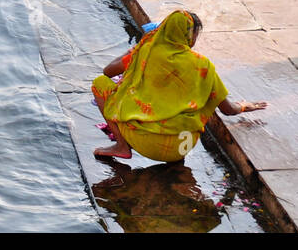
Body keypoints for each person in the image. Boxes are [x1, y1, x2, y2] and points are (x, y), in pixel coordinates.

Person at [91, 10, 267, 162]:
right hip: (182, 148)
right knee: (193, 99)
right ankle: (172, 158)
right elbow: (228, 109)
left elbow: (108, 72)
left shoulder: (146, 51)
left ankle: (122, 146)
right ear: (190, 35)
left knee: (100, 84)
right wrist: (244, 106)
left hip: (145, 144)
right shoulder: (203, 65)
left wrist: (138, 47)